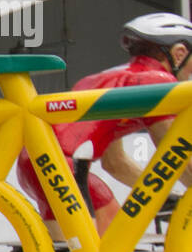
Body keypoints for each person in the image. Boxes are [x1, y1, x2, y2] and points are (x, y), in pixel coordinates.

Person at [15, 12, 192, 236]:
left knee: (111, 241)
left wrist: (167, 197)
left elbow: (115, 163)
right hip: (64, 167)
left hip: (40, 162)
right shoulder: (156, 82)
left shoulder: (109, 77)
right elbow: (175, 155)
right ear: (179, 54)